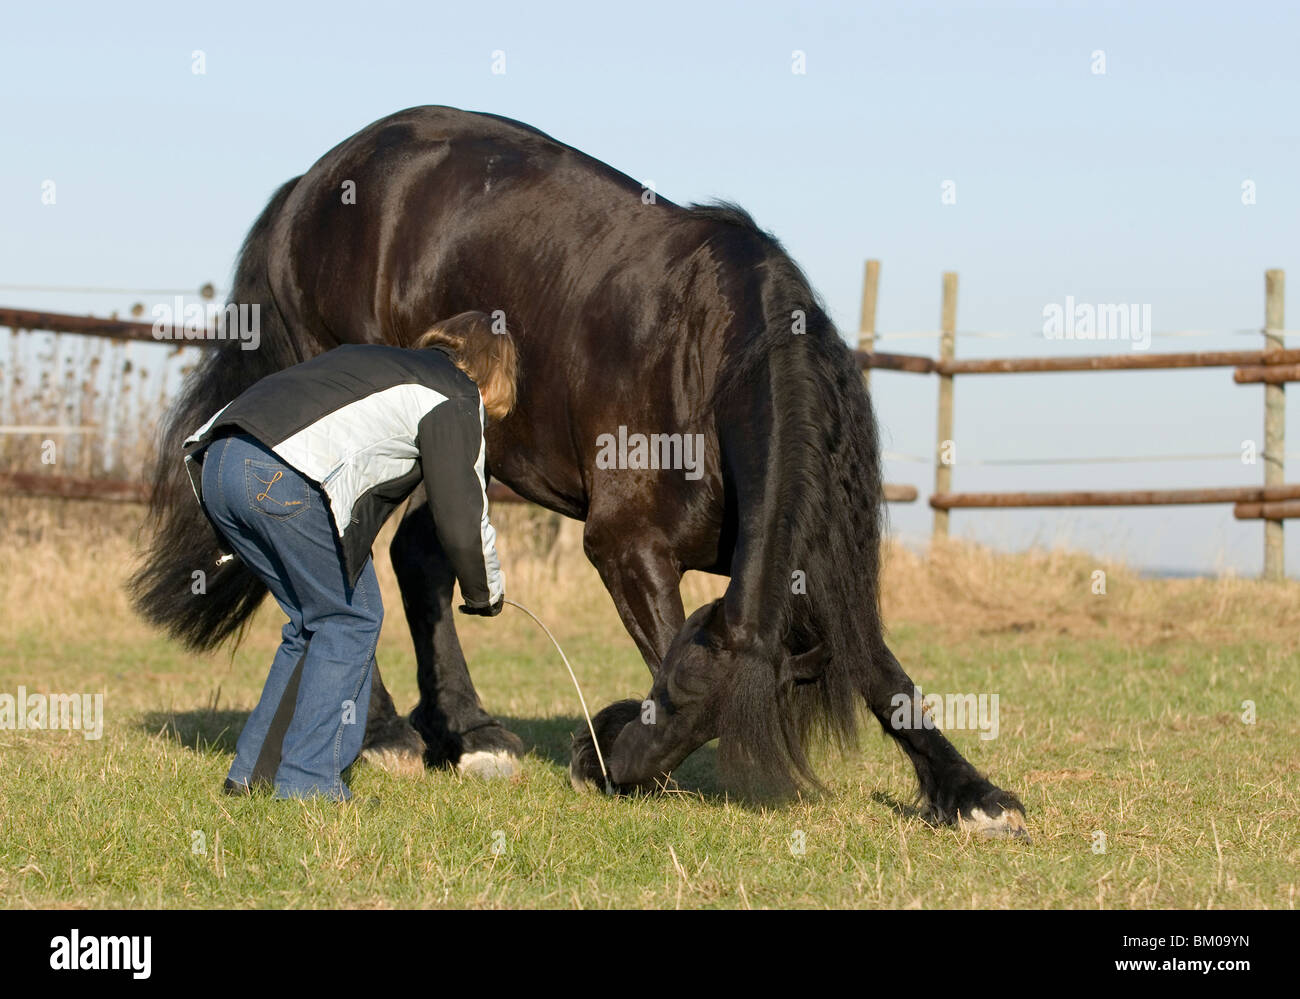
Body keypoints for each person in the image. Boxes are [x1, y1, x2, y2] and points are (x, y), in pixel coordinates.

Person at [182, 311, 517, 801]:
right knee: (351, 620)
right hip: (279, 477)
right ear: (493, 370)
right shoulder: (454, 394)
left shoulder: (378, 363)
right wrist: (485, 591)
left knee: (310, 625)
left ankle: (254, 774)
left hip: (218, 461)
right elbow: (461, 513)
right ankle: (309, 784)